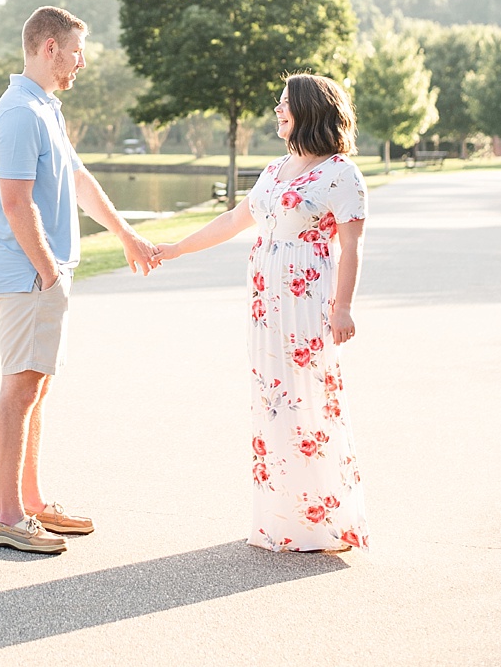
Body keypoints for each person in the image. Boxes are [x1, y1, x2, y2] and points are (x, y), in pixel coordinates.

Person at [149, 73, 370, 552]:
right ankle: (281, 517)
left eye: (285, 103)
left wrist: (344, 307)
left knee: (308, 399)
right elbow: (233, 220)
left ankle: (322, 520)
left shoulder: (342, 173)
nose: (277, 110)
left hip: (308, 303)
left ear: (309, 110)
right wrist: (177, 249)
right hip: (265, 307)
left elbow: (351, 247)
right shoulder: (274, 171)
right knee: (273, 401)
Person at [0, 5, 160, 554]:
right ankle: (8, 516)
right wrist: (47, 270)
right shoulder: (18, 114)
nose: (82, 62)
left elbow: (78, 180)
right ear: (50, 47)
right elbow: (16, 204)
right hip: (29, 272)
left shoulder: (46, 110)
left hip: (45, 271)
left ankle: (30, 503)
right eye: (78, 50)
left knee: (36, 384)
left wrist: (126, 233)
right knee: (20, 387)